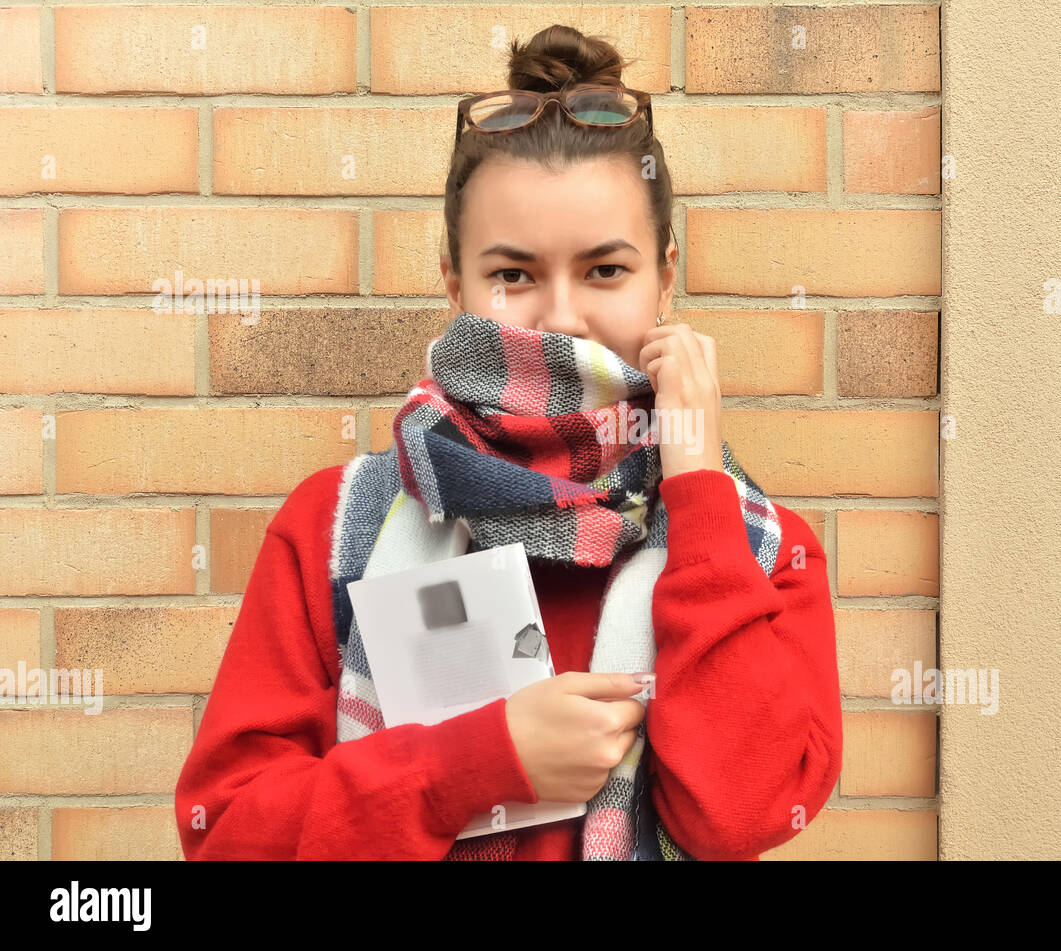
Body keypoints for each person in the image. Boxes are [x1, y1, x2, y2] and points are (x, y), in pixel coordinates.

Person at [174, 24, 842, 861]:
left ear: (666, 277)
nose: (561, 317)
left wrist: (698, 488)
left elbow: (747, 810)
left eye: (606, 270)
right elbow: (227, 836)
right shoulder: (335, 526)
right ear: (454, 281)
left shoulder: (760, 546)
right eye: (513, 275)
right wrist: (478, 762)